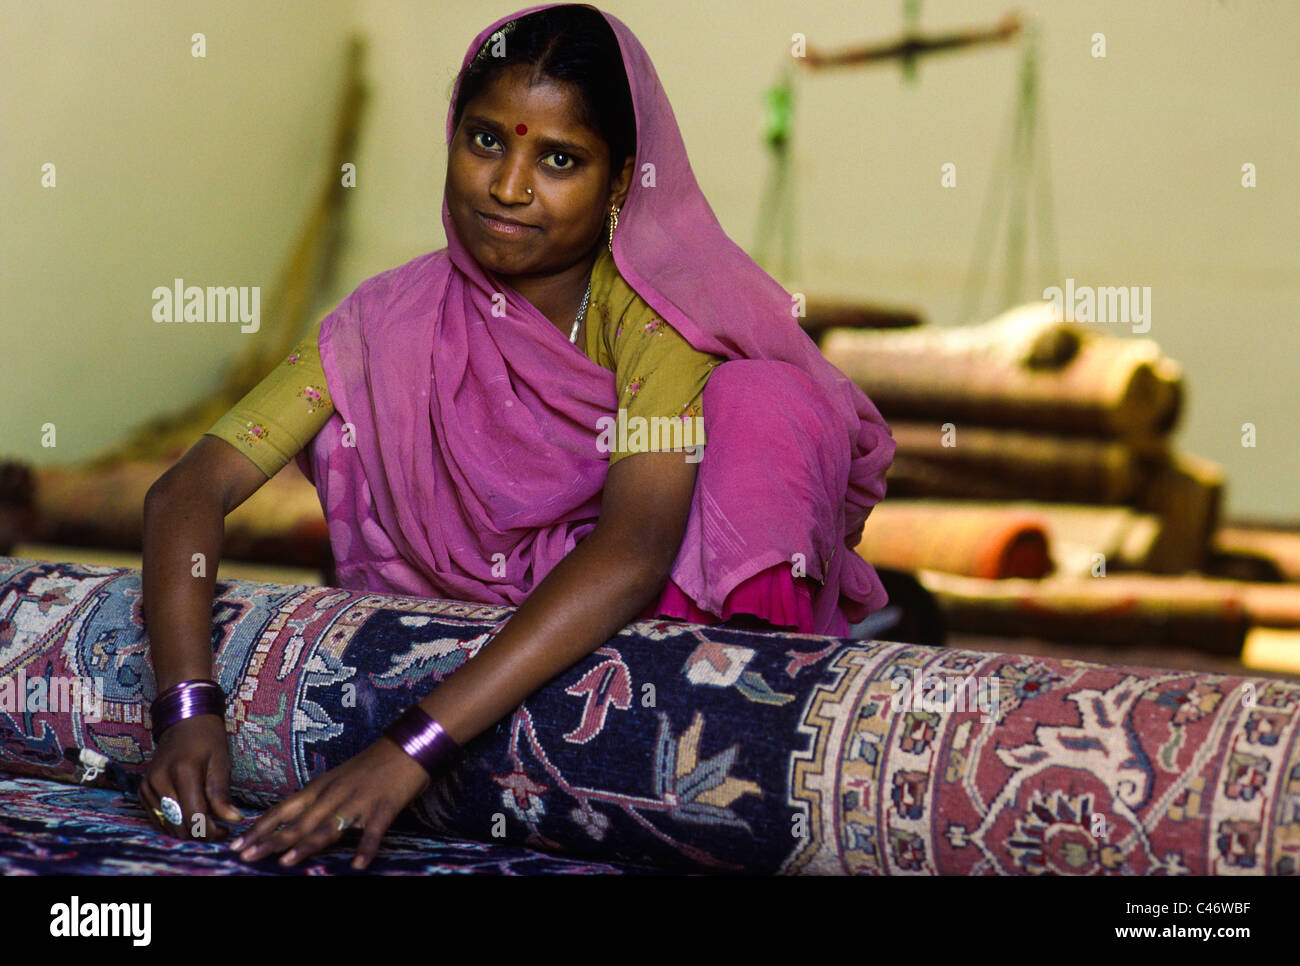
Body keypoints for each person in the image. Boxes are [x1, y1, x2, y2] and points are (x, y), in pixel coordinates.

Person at [139, 2, 895, 871]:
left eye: (560, 159)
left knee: (761, 404)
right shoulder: (388, 320)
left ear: (620, 181)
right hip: (446, 638)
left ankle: (747, 735)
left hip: (646, 646)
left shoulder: (654, 317)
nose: (507, 187)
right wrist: (189, 706)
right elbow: (187, 492)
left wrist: (408, 751)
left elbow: (633, 552)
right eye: (486, 140)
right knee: (357, 401)